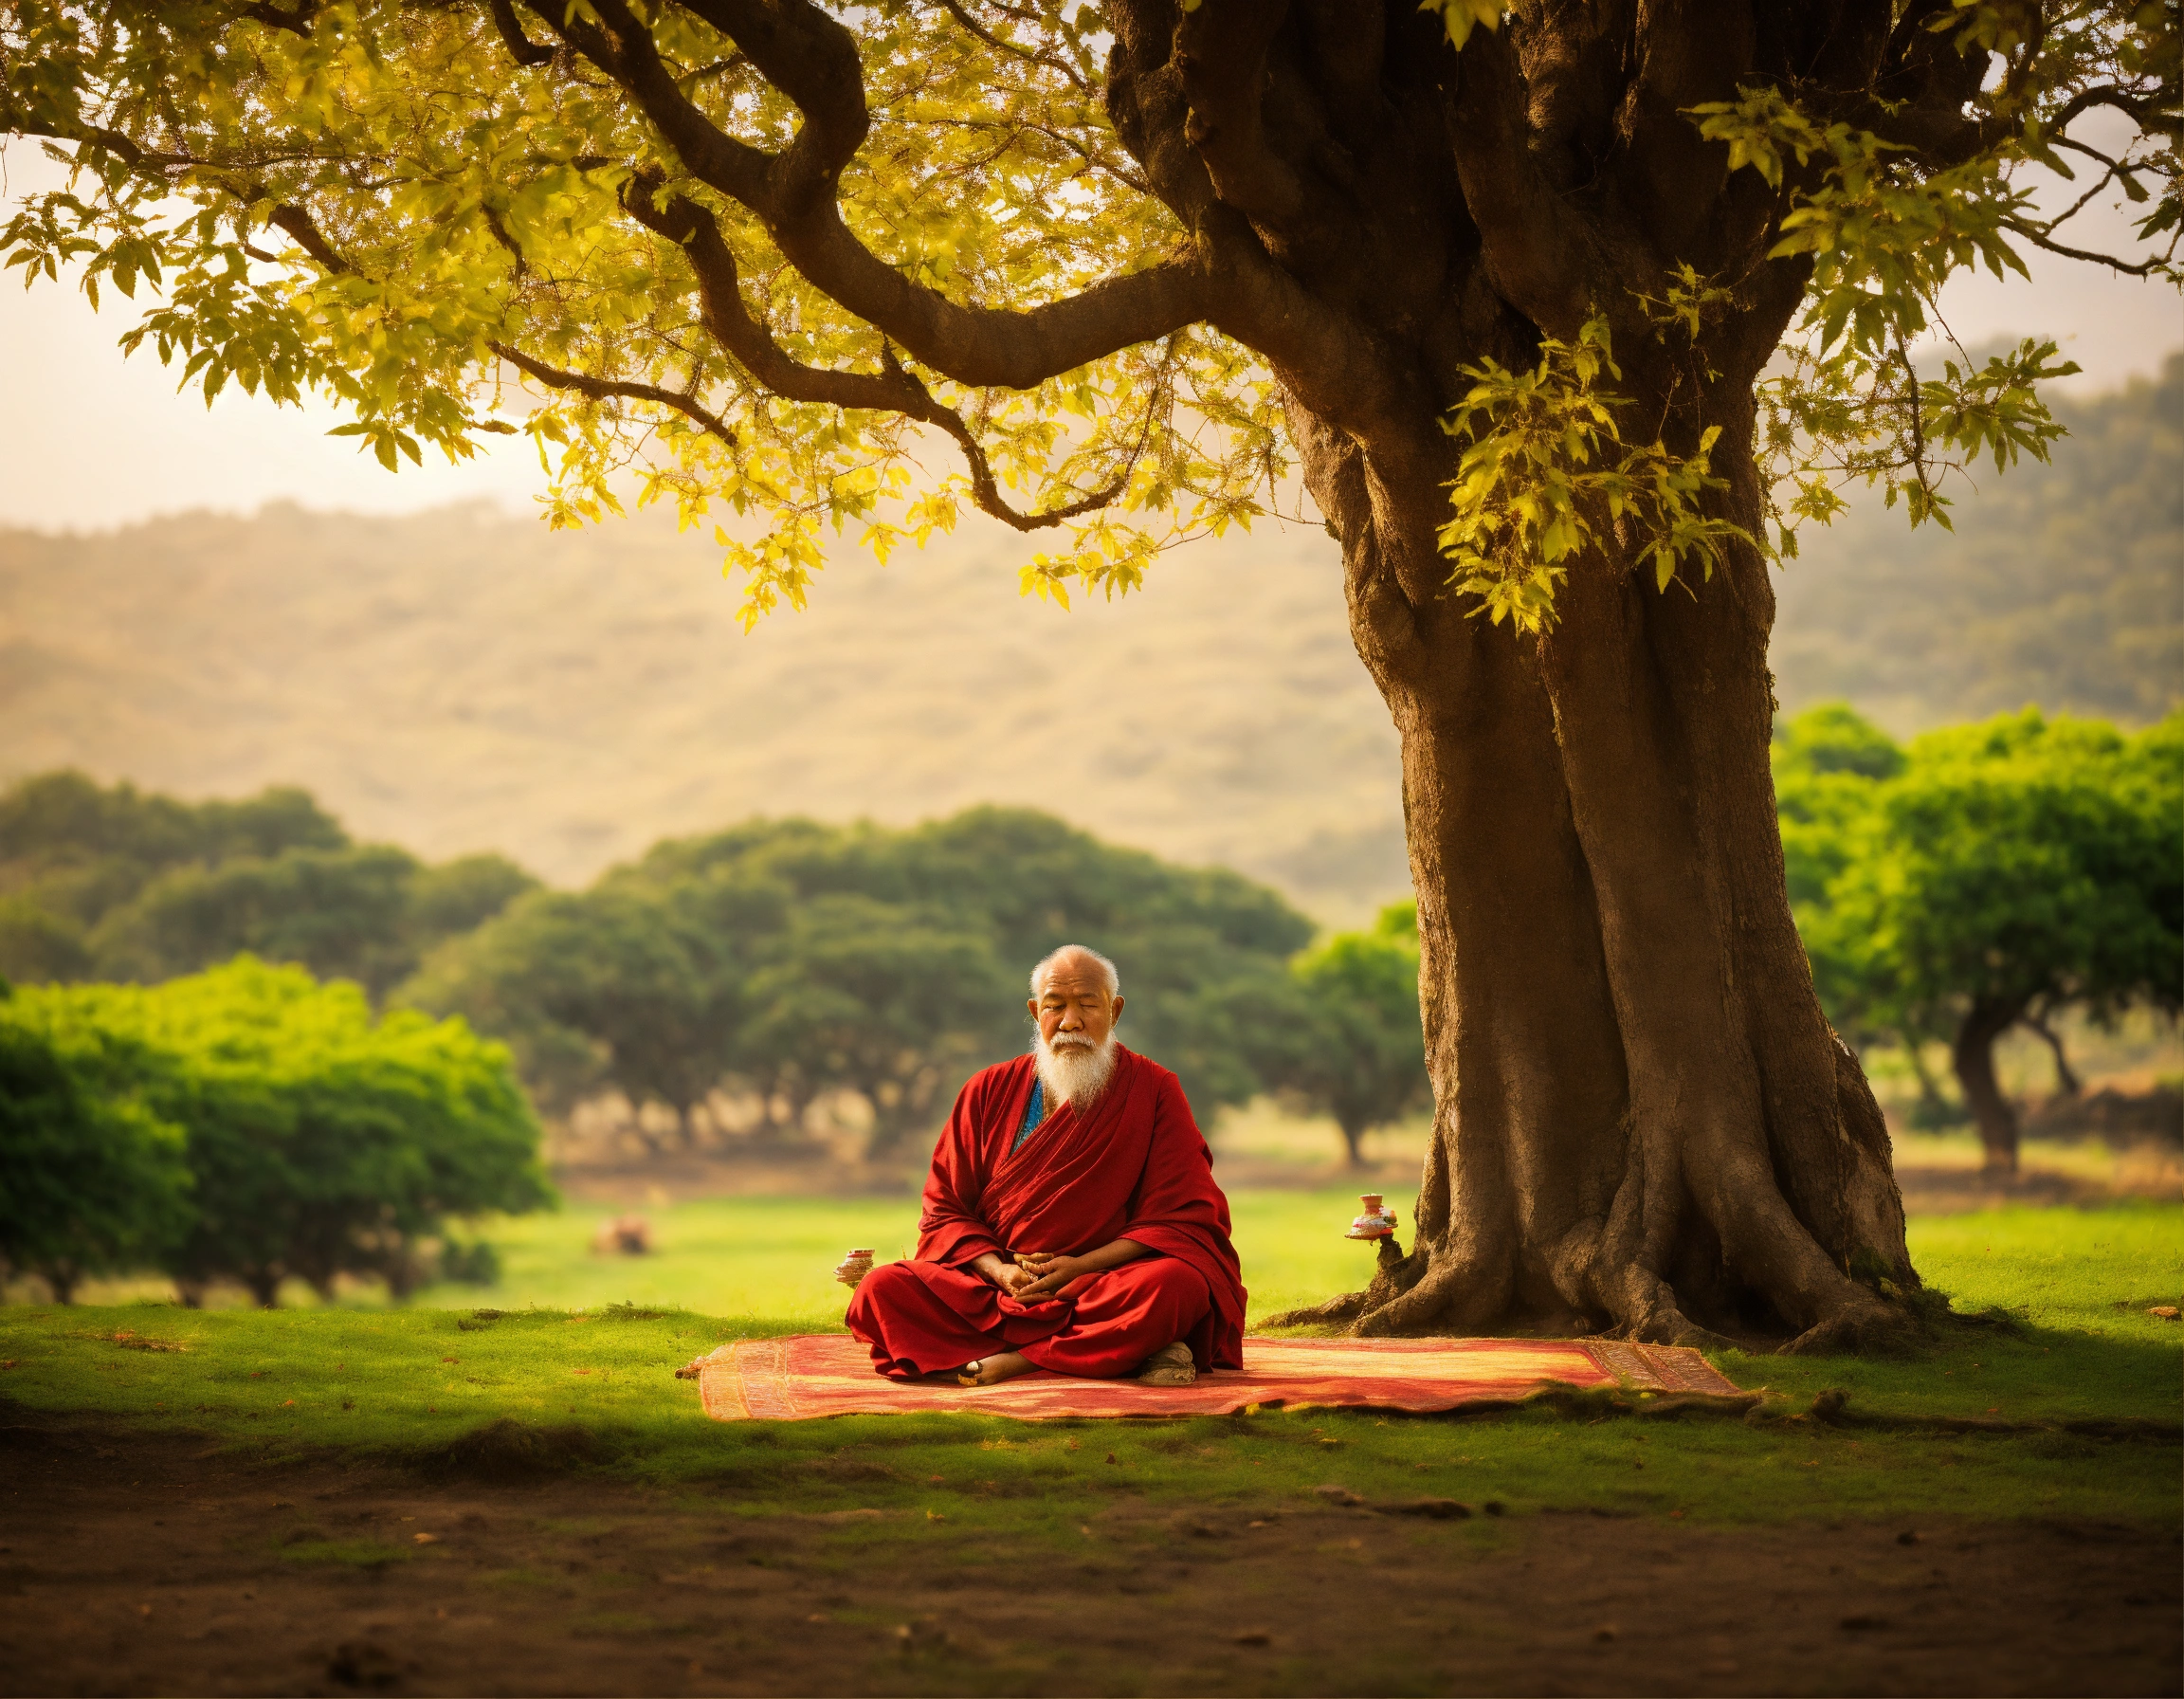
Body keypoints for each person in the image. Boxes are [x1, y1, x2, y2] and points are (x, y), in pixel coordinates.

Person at [846, 944, 1246, 1387]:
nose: (1070, 1022)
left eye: (1087, 1005)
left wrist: (1082, 1266)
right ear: (1036, 1012)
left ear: (1115, 1011)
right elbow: (945, 1208)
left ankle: (1018, 1362)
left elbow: (1181, 1216)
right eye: (1055, 1006)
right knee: (881, 1290)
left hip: (1099, 1284)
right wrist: (1000, 1270)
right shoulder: (987, 1089)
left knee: (1178, 1285)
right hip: (998, 1288)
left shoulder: (1153, 1089)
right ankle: (1115, 1349)